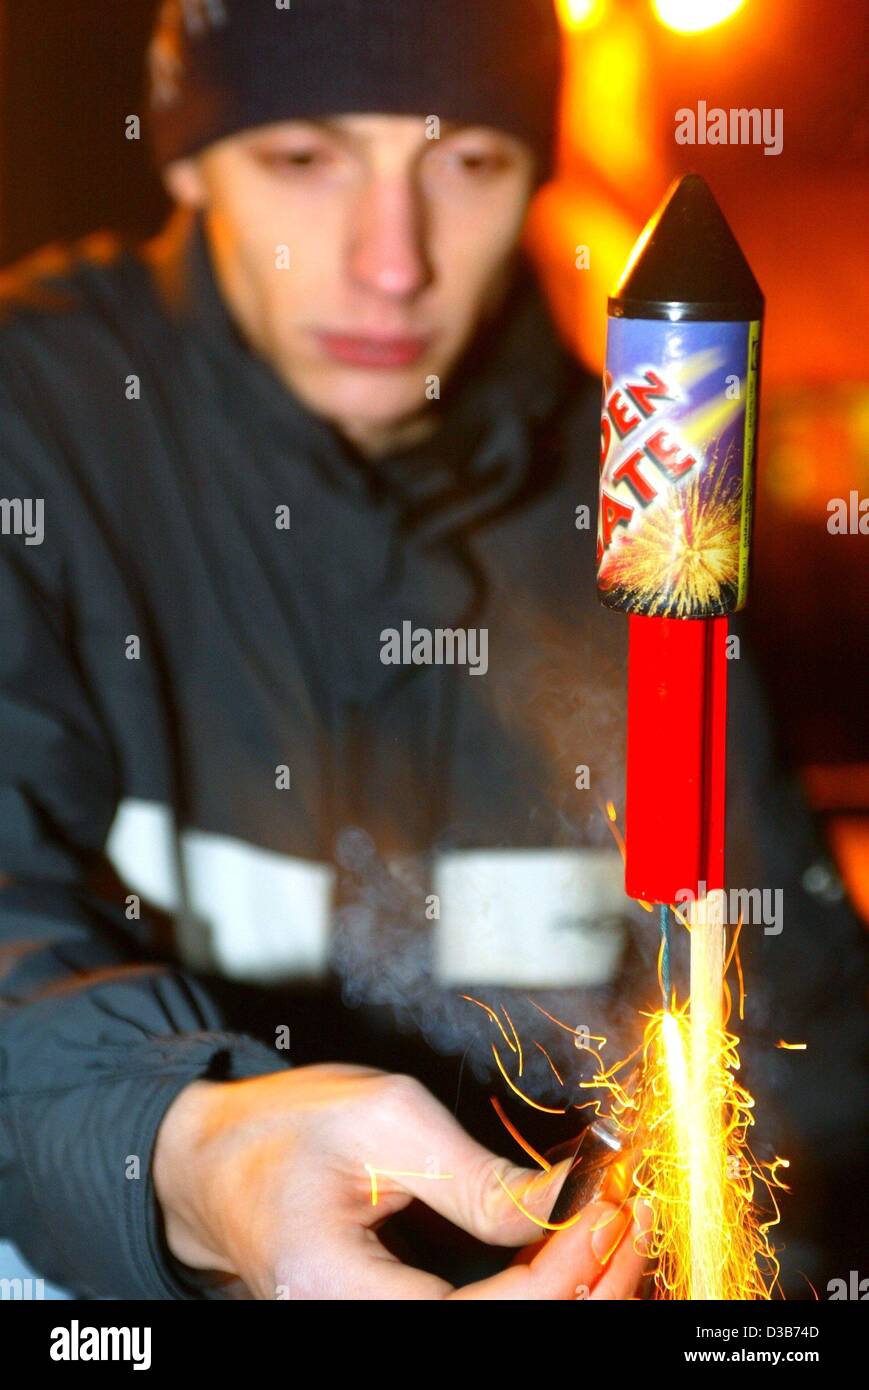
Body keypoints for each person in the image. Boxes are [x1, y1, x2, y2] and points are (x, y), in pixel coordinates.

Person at [0, 0, 863, 1301]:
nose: (389, 260)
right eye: (305, 157)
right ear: (185, 157)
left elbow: (796, 1040)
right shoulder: (39, 432)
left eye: (463, 161)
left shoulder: (648, 506)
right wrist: (178, 1148)